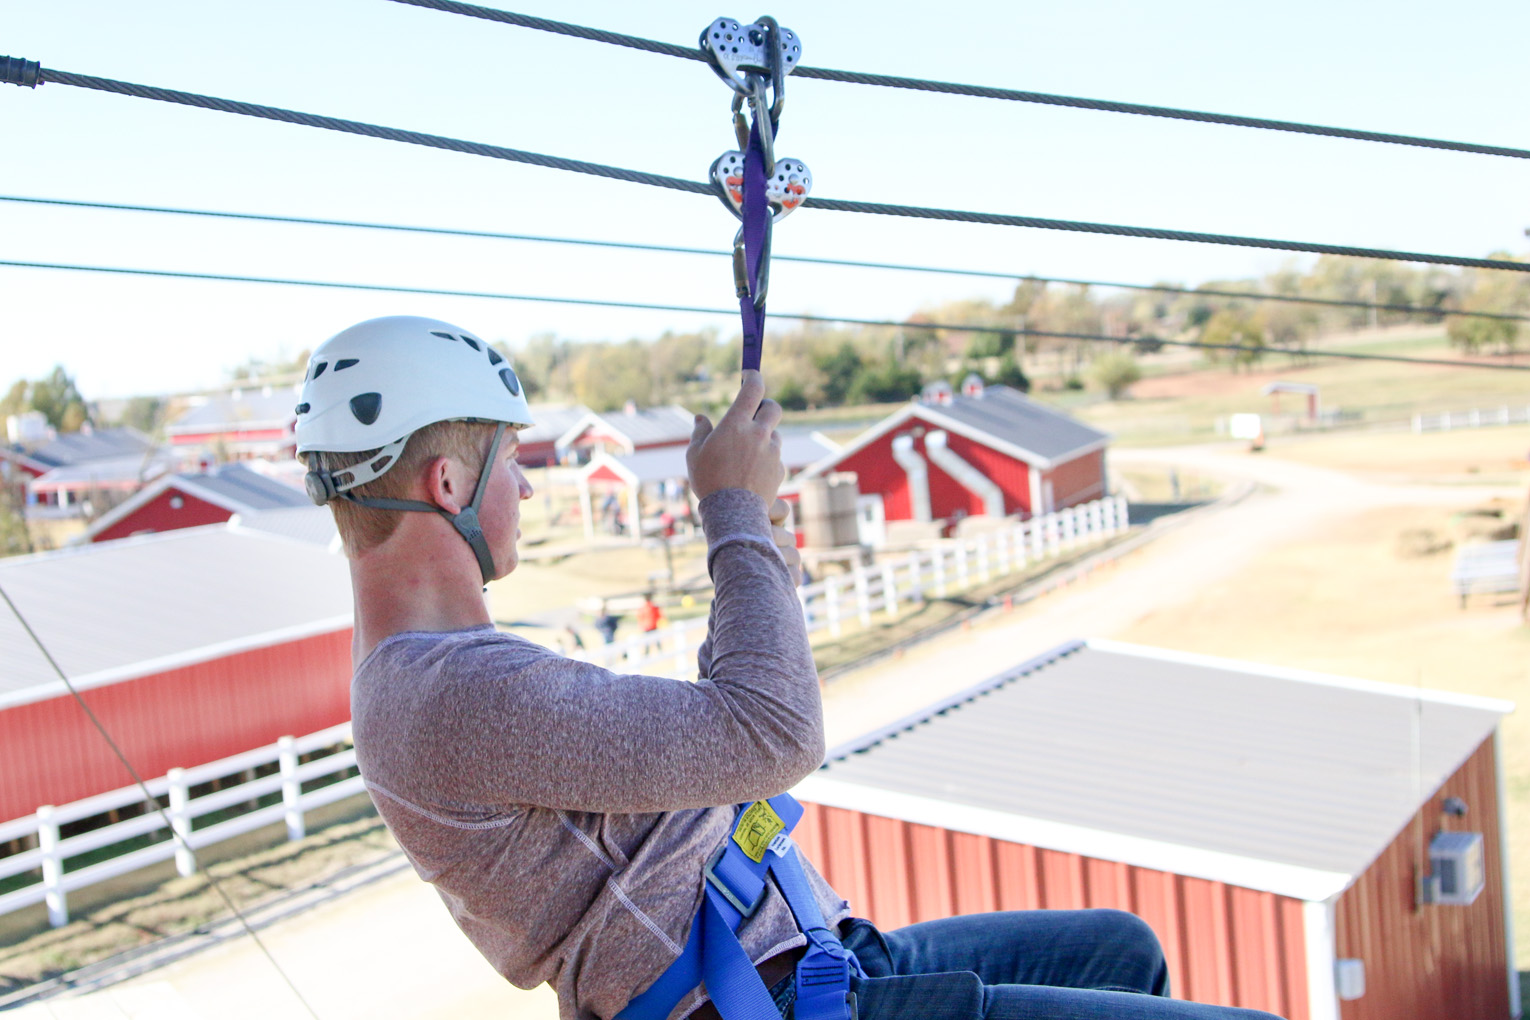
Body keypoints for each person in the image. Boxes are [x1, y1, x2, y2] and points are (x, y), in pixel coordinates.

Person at [295, 315, 1284, 1020]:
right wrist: (731, 512)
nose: (524, 482)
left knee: (1126, 950)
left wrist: (756, 555)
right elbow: (772, 735)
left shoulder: (437, 680)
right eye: (512, 460)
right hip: (778, 998)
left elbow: (710, 746)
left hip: (815, 956)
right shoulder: (453, 695)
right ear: (450, 483)